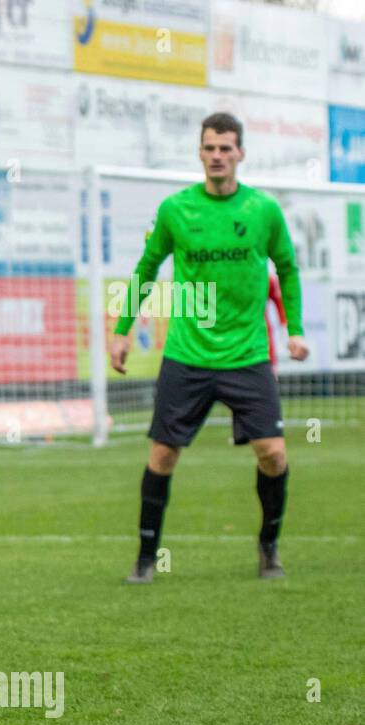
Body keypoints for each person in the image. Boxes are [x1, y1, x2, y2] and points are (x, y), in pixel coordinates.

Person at [110, 113, 307, 583]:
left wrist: (293, 329)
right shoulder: (176, 209)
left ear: (240, 154)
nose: (217, 156)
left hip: (247, 355)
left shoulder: (263, 211)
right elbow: (146, 268)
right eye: (209, 148)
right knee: (162, 456)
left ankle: (268, 547)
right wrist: (121, 330)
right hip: (187, 354)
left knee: (274, 454)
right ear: (199, 153)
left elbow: (289, 269)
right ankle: (144, 559)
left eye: (226, 148)